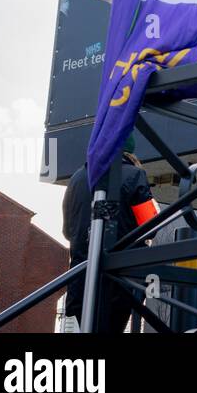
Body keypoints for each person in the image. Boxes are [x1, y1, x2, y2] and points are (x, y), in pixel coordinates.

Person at [61, 136, 159, 333]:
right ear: (130, 153)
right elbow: (151, 225)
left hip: (81, 275)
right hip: (118, 279)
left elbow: (68, 230)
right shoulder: (134, 175)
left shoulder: (77, 178)